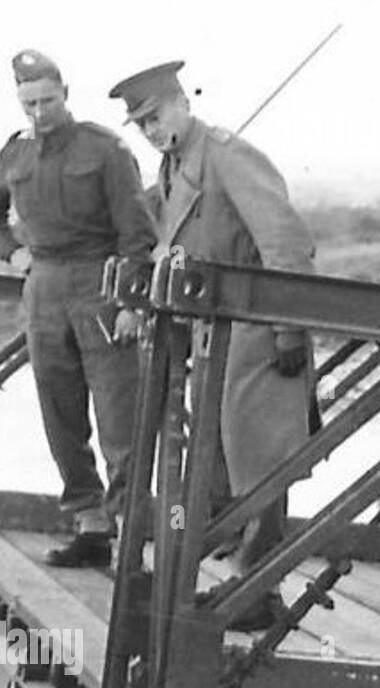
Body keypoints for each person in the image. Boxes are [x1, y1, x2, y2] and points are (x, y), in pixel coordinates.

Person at [109, 60, 316, 627]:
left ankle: (256, 591)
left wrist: (289, 329)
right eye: (142, 125)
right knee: (222, 464)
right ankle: (239, 582)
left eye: (156, 116)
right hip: (212, 336)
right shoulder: (175, 170)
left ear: (182, 103)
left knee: (262, 463)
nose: (152, 130)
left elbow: (285, 241)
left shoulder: (225, 155)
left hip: (256, 331)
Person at [0, 49, 158, 567]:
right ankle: (90, 523)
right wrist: (12, 252)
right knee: (60, 414)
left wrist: (131, 303)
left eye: (47, 100)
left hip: (101, 285)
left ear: (65, 95)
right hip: (44, 290)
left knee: (119, 418)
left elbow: (136, 233)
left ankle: (131, 539)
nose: (38, 111)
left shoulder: (105, 149)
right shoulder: (16, 153)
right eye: (29, 101)